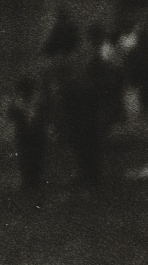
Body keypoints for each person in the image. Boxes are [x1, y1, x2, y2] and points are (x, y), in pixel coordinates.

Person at [42, 16, 104, 190]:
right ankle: (90, 174)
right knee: (87, 139)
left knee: (78, 139)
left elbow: (57, 89)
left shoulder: (62, 60)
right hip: (86, 102)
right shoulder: (83, 55)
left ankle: (86, 174)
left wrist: (55, 111)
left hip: (74, 103)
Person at [6, 74, 49, 192]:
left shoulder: (19, 104)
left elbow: (10, 115)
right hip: (36, 135)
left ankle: (29, 183)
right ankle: (35, 182)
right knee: (36, 158)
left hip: (24, 135)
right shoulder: (38, 101)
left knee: (27, 158)